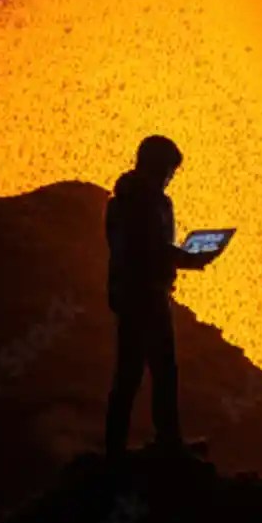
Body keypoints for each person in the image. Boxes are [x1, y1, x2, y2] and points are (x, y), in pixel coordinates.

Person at [104, 135, 215, 461]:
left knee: (136, 372)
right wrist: (187, 260)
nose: (170, 178)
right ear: (155, 165)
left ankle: (120, 449)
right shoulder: (141, 201)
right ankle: (164, 444)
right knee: (154, 371)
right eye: (169, 171)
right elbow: (149, 248)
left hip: (138, 294)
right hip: (144, 297)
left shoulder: (127, 199)